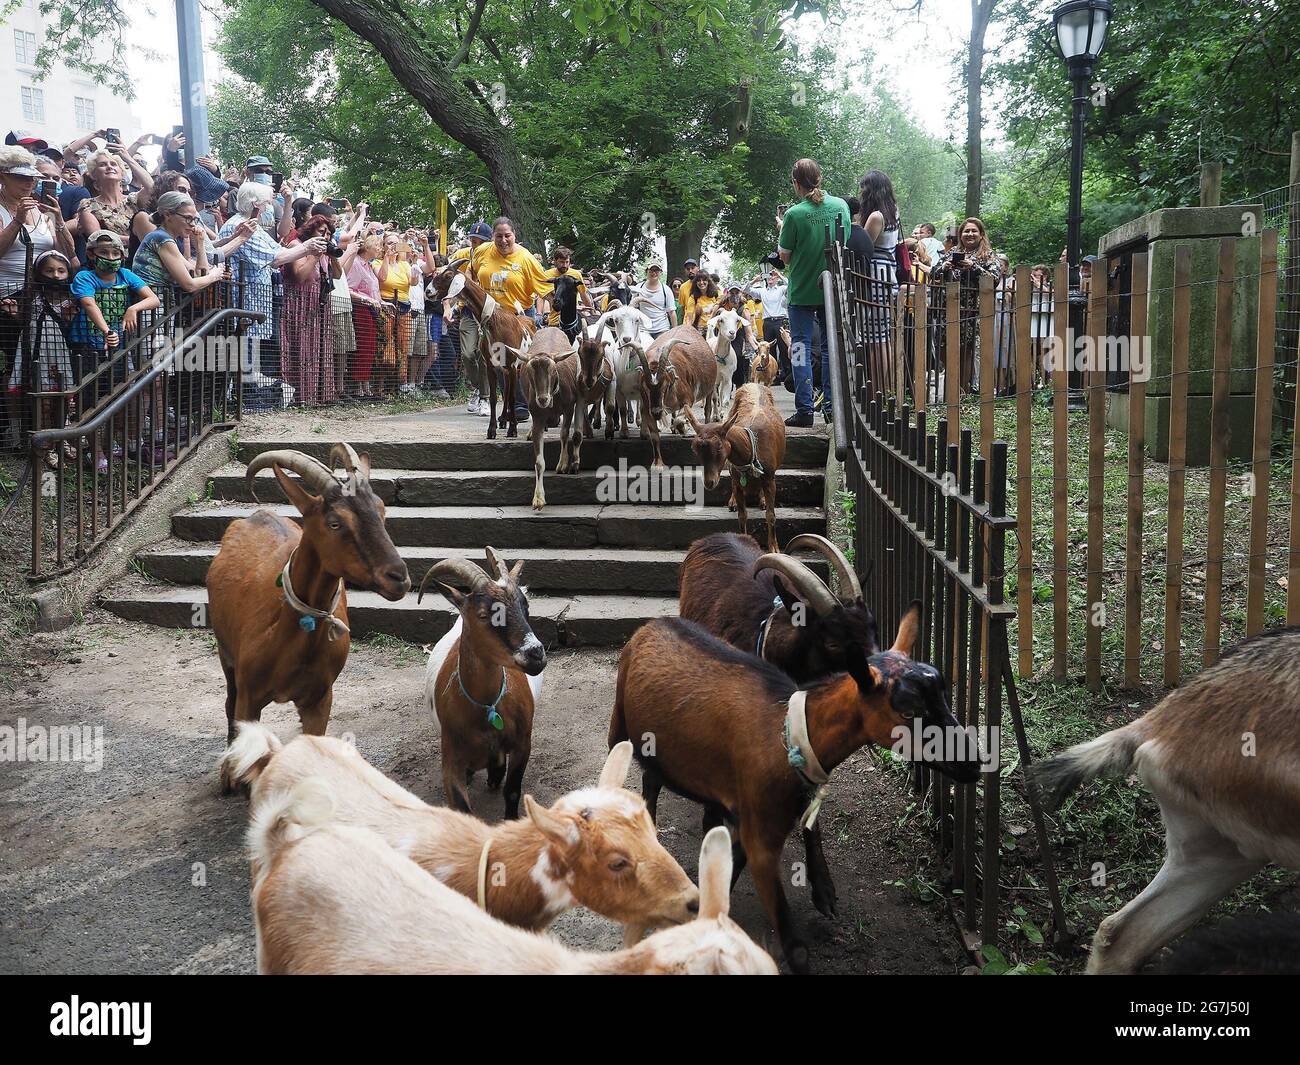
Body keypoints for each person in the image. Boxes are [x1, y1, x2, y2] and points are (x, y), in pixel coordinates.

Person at [70, 230, 160, 470]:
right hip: (88, 344)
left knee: (118, 395)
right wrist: (106, 330)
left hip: (118, 347)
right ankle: (95, 451)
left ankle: (115, 446)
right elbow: (89, 303)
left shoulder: (125, 275)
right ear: (91, 254)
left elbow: (153, 299)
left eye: (115, 253)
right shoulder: (85, 277)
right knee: (89, 398)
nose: (110, 257)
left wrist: (133, 309)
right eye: (103, 253)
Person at [778, 157, 850, 427]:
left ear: (796, 183)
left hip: (802, 292)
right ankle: (831, 407)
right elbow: (844, 242)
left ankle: (805, 409)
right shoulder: (841, 206)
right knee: (830, 347)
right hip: (831, 289)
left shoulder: (793, 214)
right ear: (820, 178)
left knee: (800, 348)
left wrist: (782, 230)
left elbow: (784, 256)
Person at [2, 250, 78, 461]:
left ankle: (61, 439)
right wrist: (15, 313)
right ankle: (45, 445)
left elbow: (69, 325)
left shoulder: (71, 298)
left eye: (61, 271)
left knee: (61, 398)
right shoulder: (31, 297)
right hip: (35, 351)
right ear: (39, 273)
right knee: (41, 401)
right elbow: (25, 324)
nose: (55, 275)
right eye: (49, 270)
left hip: (59, 352)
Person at [474, 216, 550, 424]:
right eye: (499, 236)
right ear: (492, 237)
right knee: (499, 363)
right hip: (493, 318)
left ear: (514, 235)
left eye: (507, 236)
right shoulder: (482, 252)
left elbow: (544, 286)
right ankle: (510, 403)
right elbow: (473, 274)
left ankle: (523, 403)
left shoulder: (525, 258)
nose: (503, 240)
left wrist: (558, 307)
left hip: (519, 316)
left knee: (522, 363)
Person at [933, 216, 1001, 392]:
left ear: (981, 234)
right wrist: (944, 267)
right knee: (944, 349)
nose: (969, 234)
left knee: (966, 351)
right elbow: (933, 274)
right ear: (961, 234)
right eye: (966, 231)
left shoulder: (988, 256)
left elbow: (994, 280)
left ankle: (963, 390)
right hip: (947, 310)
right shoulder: (951, 252)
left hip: (971, 312)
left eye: (973, 231)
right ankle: (951, 386)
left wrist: (973, 267)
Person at [280, 213, 337, 406]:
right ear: (310, 230)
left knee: (316, 351)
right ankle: (299, 397)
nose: (326, 236)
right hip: (299, 304)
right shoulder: (297, 246)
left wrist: (333, 255)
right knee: (300, 350)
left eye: (329, 233)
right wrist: (315, 255)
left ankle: (317, 395)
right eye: (322, 232)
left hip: (317, 306)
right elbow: (299, 276)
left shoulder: (323, 253)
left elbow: (337, 275)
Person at [447, 220, 492, 415]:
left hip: (488, 311)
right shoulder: (461, 256)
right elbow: (446, 282)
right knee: (467, 354)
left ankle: (485, 398)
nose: (475, 244)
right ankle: (477, 387)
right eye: (473, 240)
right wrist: (447, 307)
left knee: (485, 355)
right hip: (466, 310)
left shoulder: (493, 258)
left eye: (480, 241)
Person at [73, 145, 154, 244]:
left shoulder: (133, 199)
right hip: (111, 257)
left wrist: (127, 158)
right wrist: (141, 240)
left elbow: (151, 187)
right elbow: (99, 238)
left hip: (141, 256)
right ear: (94, 174)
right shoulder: (88, 205)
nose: (109, 167)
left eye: (113, 164)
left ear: (122, 173)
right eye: (102, 164)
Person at [749, 267, 790, 388]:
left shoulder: (781, 289)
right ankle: (773, 376)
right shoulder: (762, 291)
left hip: (780, 320)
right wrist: (754, 280)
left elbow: (790, 284)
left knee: (783, 348)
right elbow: (746, 289)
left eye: (773, 276)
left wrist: (780, 275)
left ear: (776, 278)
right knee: (768, 350)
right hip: (767, 321)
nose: (771, 278)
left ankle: (787, 375)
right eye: (769, 276)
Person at [541, 246, 594, 339]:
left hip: (574, 320)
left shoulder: (576, 275)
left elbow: (583, 294)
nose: (565, 265)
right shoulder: (547, 275)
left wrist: (592, 310)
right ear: (555, 261)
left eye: (567, 262)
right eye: (561, 262)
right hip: (555, 322)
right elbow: (546, 297)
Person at [632, 262, 677, 339]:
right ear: (647, 272)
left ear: (660, 273)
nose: (654, 273)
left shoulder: (666, 290)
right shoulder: (639, 287)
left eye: (656, 271)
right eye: (651, 271)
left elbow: (672, 312)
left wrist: (675, 332)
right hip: (643, 329)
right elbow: (633, 309)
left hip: (662, 328)